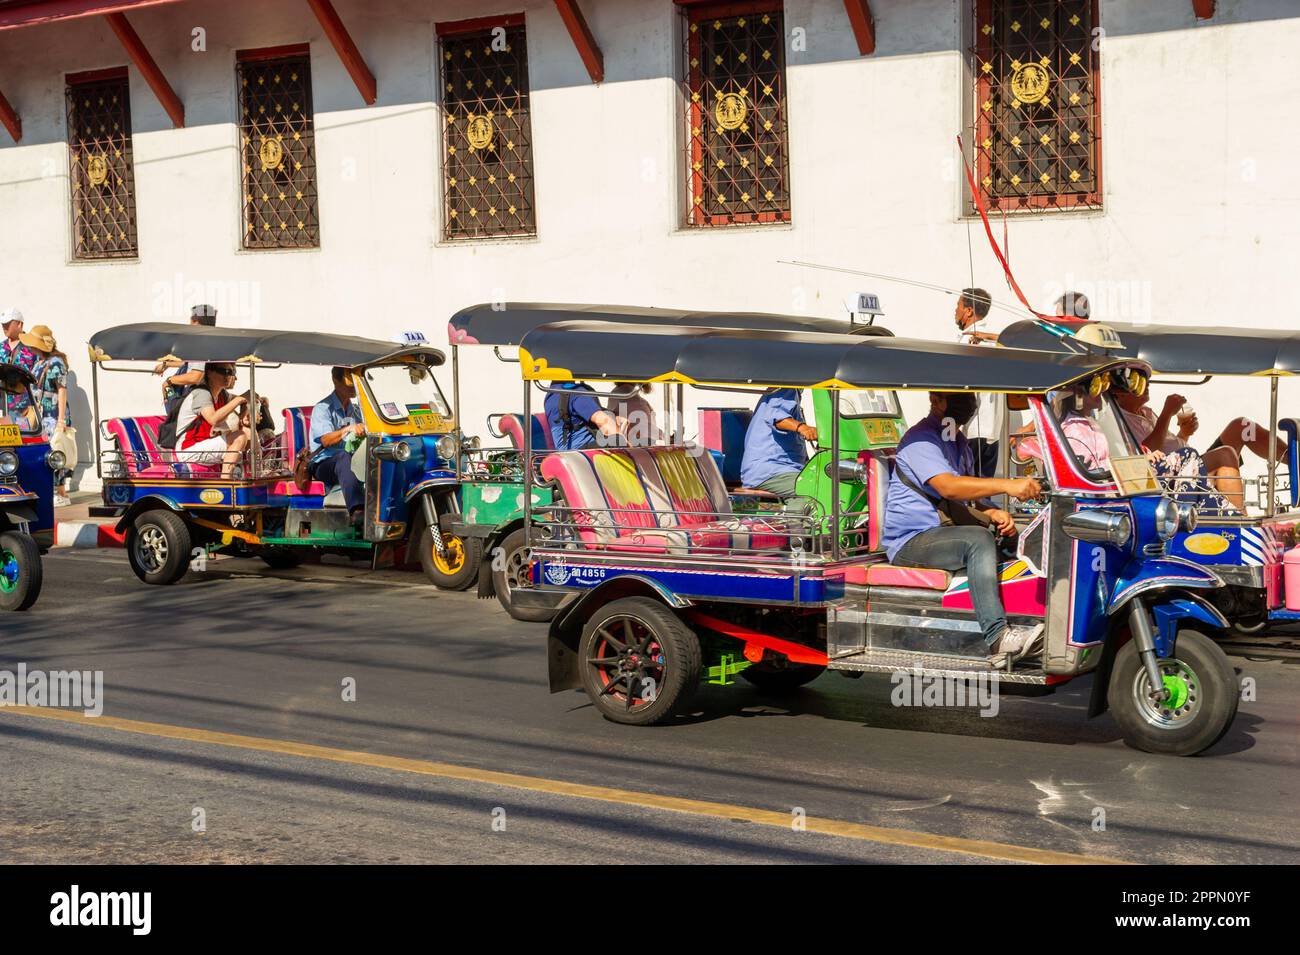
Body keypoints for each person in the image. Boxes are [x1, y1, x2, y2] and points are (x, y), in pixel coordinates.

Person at [881, 391, 1045, 670]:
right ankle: (997, 637)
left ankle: (1025, 621)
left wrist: (991, 511)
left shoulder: (958, 441)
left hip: (946, 532)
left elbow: (967, 497)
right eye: (960, 396)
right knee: (977, 540)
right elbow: (948, 486)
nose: (969, 403)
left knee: (1017, 537)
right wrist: (1007, 485)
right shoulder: (920, 439)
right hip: (911, 540)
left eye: (971, 396)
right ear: (936, 400)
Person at [1114, 388, 1279, 512]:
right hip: (1173, 479)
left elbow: (1168, 449)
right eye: (1137, 379)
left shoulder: (1146, 412)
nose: (1146, 384)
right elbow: (1148, 453)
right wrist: (1166, 414)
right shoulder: (1119, 418)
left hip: (1186, 466)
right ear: (1119, 392)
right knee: (1225, 454)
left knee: (1242, 426)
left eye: (1146, 379)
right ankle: (1239, 521)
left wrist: (1184, 435)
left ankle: (1294, 461)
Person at [953, 287, 1009, 477]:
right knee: (985, 489)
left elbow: (964, 387)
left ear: (968, 311)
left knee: (966, 490)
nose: (955, 310)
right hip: (993, 430)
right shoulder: (997, 341)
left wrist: (954, 425)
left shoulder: (968, 340)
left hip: (972, 428)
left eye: (958, 305)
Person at [22, 324, 73, 506]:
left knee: (56, 450)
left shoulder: (57, 363)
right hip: (42, 414)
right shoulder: (39, 363)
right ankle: (56, 491)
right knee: (47, 451)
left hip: (53, 414)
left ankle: (61, 492)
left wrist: (61, 419)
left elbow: (62, 390)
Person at [309, 366, 366, 525]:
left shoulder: (355, 410)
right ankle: (357, 510)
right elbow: (326, 440)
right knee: (342, 457)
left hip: (349, 460)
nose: (353, 388)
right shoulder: (322, 408)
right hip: (323, 464)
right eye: (349, 383)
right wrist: (348, 429)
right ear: (336, 380)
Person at [174, 363, 251, 479]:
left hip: (204, 445)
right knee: (240, 437)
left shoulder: (221, 394)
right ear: (209, 373)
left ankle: (251, 473)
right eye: (223, 372)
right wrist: (238, 401)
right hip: (188, 449)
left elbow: (247, 397)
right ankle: (226, 482)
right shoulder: (202, 393)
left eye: (231, 372)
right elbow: (213, 419)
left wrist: (245, 411)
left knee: (248, 431)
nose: (228, 376)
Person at [739, 388, 816, 503]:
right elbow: (777, 417)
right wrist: (803, 428)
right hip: (772, 470)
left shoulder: (792, 393)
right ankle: (798, 521)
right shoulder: (786, 388)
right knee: (811, 489)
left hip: (781, 469)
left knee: (819, 482)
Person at [155, 304, 217, 412]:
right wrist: (166, 364)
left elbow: (195, 376)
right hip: (204, 397)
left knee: (173, 415)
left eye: (191, 320)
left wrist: (169, 381)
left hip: (196, 399)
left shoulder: (201, 344)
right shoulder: (210, 340)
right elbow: (191, 364)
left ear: (195, 321)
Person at [545, 381, 622, 451]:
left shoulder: (551, 394)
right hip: (583, 451)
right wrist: (627, 447)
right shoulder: (575, 393)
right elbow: (603, 420)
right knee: (618, 440)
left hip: (567, 452)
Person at [0, 307, 38, 427]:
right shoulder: (1, 347)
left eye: (8, 324)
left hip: (25, 409)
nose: (4, 327)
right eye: (3, 324)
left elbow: (38, 378)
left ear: (19, 324)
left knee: (26, 443)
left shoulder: (32, 347)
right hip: (3, 408)